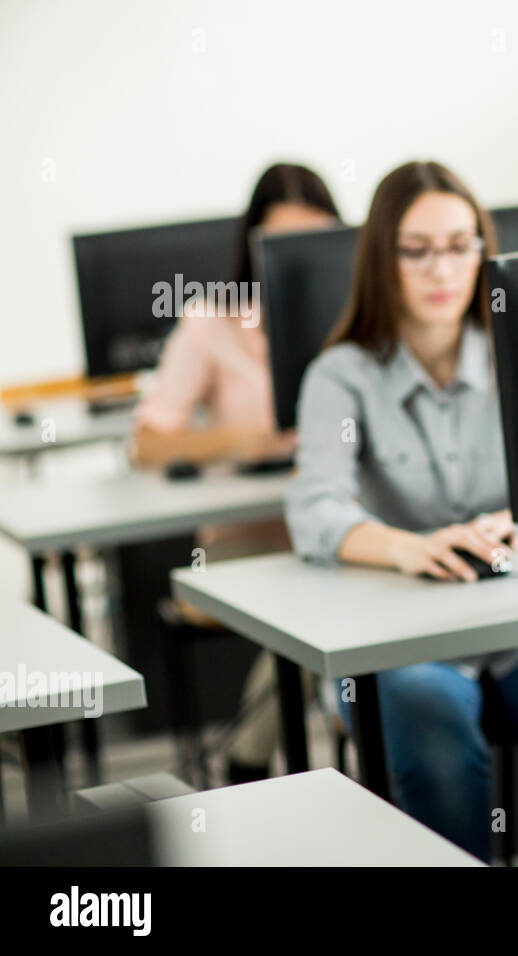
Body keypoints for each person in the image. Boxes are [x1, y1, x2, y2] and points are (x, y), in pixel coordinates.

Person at [285, 160, 518, 865]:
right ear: (383, 259)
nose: (441, 268)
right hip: (404, 642)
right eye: (416, 249)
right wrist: (405, 547)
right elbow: (315, 508)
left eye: (460, 244)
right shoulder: (341, 374)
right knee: (438, 754)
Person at [131, 162, 341, 782]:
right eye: (281, 244)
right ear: (252, 245)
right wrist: (249, 439)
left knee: (339, 588)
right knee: (316, 609)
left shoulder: (356, 315)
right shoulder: (211, 321)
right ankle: (250, 760)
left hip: (335, 529)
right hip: (246, 543)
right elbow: (146, 443)